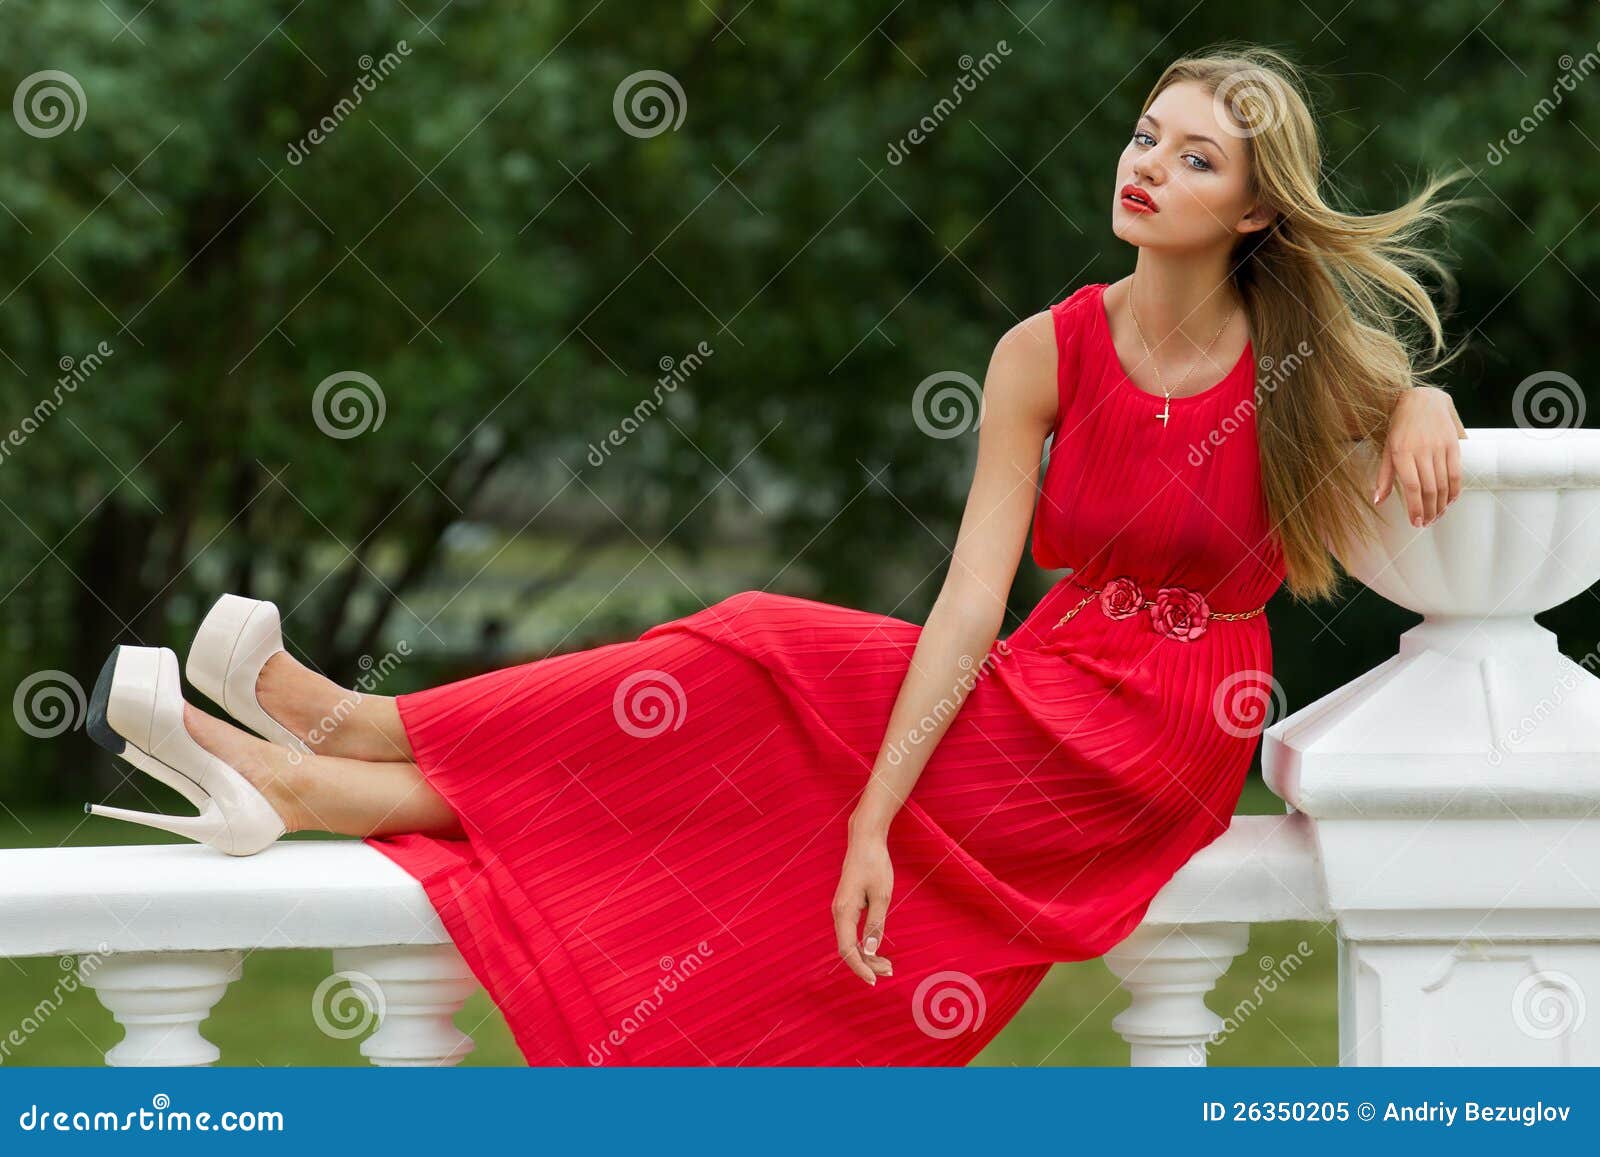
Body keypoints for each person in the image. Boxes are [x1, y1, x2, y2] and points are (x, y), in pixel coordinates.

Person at [82, 44, 1468, 1065]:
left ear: (1255, 212)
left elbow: (1404, 401)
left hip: (1162, 734)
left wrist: (1425, 399)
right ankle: (317, 767)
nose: (1149, 164)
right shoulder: (1044, 349)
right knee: (742, 698)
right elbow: (973, 598)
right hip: (1038, 680)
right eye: (1148, 136)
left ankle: (343, 735)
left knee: (759, 644)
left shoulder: (1300, 361)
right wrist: (873, 813)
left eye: (1196, 157)